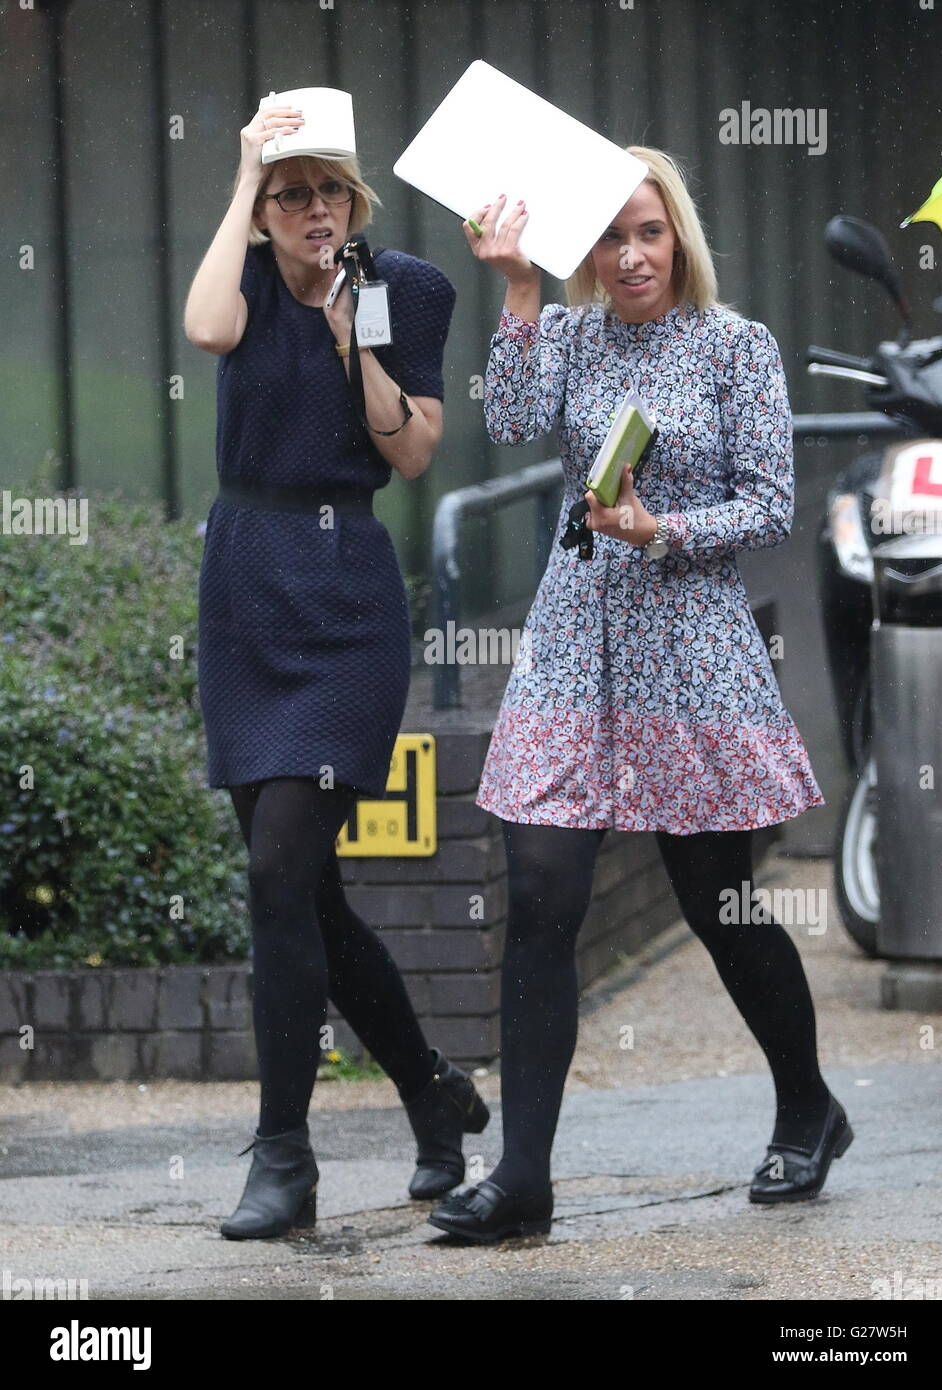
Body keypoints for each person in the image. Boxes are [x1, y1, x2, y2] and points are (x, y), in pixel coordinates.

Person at [428, 148, 852, 1245]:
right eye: (610, 236)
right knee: (543, 892)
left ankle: (808, 1103)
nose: (629, 255)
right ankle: (523, 1177)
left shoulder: (734, 345)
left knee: (720, 905)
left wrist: (662, 529)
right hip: (575, 641)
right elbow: (514, 424)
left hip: (690, 649)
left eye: (648, 232)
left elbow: (768, 503)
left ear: (680, 240)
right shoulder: (565, 331)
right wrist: (518, 287)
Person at [183, 99, 488, 1241]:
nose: (313, 211)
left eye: (328, 192)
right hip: (246, 588)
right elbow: (207, 329)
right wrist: (239, 181)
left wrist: (354, 332)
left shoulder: (402, 282)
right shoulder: (246, 274)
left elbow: (410, 450)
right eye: (290, 192)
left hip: (345, 596)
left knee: (278, 874)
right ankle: (431, 1090)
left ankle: (285, 1156)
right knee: (303, 890)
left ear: (356, 199)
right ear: (264, 208)